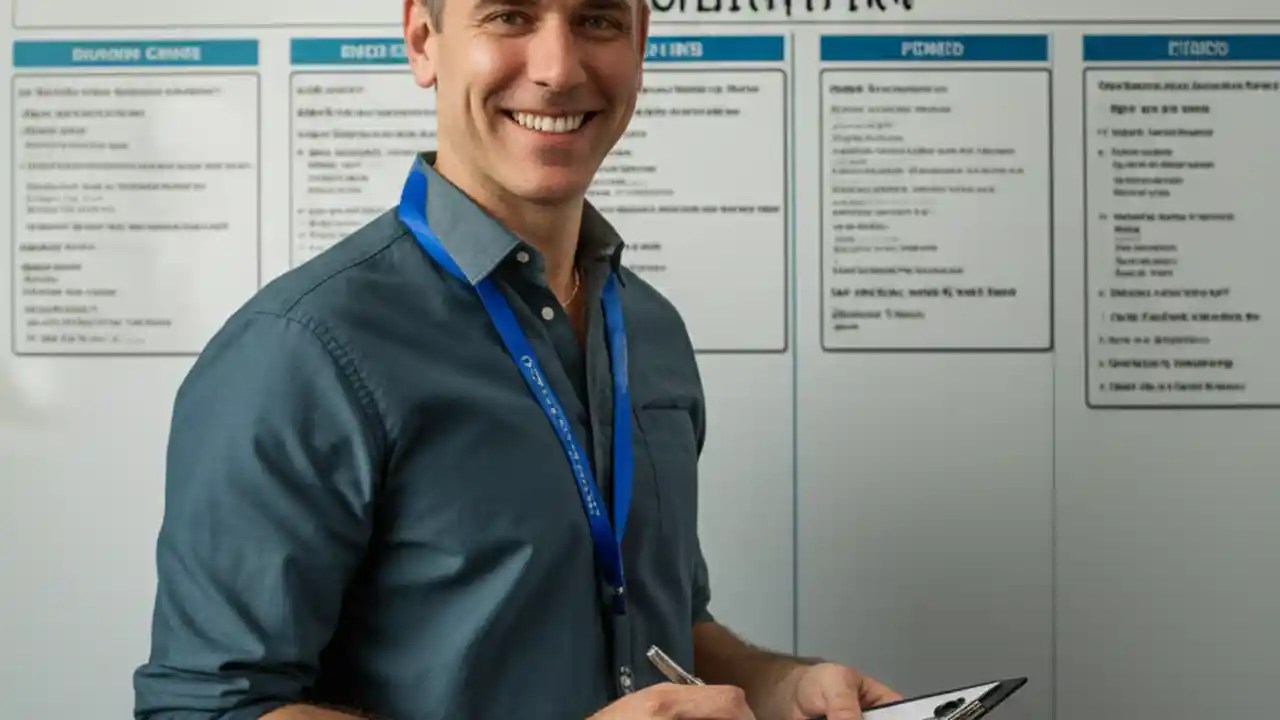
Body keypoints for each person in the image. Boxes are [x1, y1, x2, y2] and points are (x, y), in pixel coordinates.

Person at [133, 0, 902, 717]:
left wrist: (782, 687)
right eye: (510, 15)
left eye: (598, 19)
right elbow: (210, 708)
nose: (559, 68)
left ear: (640, 43)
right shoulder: (301, 350)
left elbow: (661, 626)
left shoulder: (650, 329)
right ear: (424, 39)